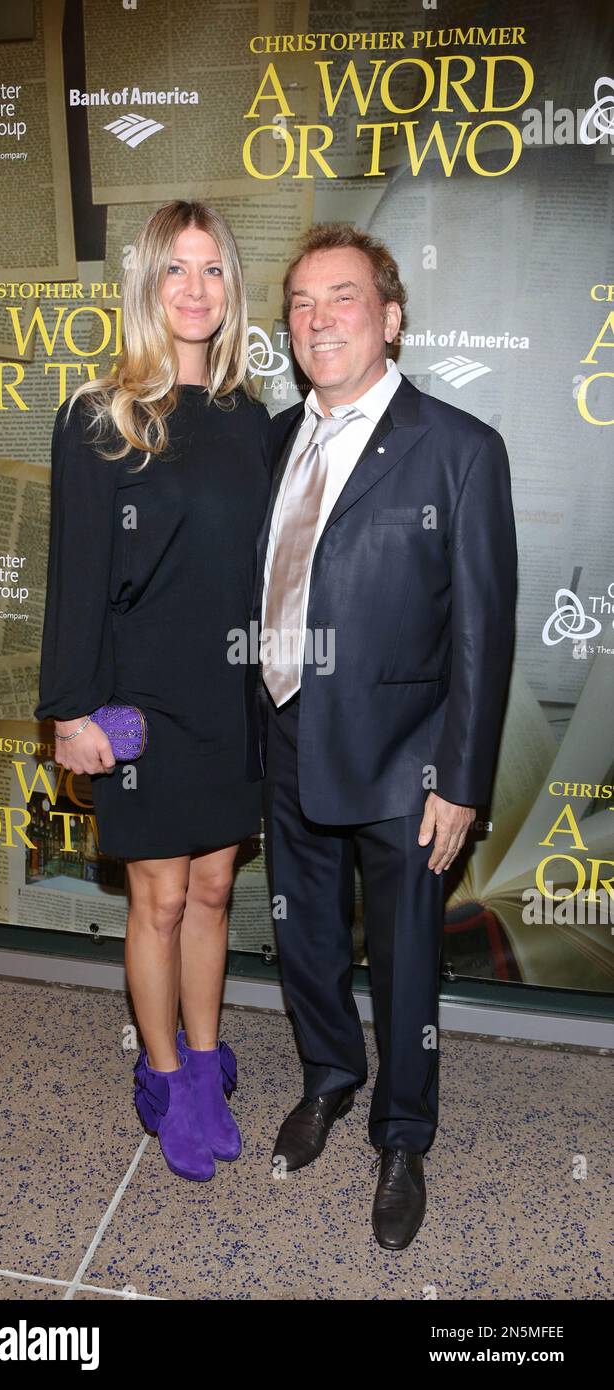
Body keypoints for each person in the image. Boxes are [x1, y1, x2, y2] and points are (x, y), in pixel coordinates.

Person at [247, 223, 517, 1249]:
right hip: (282, 730)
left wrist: (460, 778)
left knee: (406, 962)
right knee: (305, 933)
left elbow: (484, 633)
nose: (319, 319)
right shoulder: (274, 439)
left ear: (391, 317)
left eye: (344, 298)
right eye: (303, 303)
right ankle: (329, 1077)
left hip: (409, 758)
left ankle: (403, 1136)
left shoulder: (459, 450)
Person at [34, 201, 272, 1183]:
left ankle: (207, 1060)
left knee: (215, 889)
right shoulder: (100, 415)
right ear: (145, 286)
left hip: (230, 697)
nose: (195, 287)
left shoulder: (251, 419)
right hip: (141, 703)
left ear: (231, 287)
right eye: (175, 269)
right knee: (161, 900)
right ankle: (164, 1074)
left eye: (211, 269)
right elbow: (74, 574)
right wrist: (70, 709)